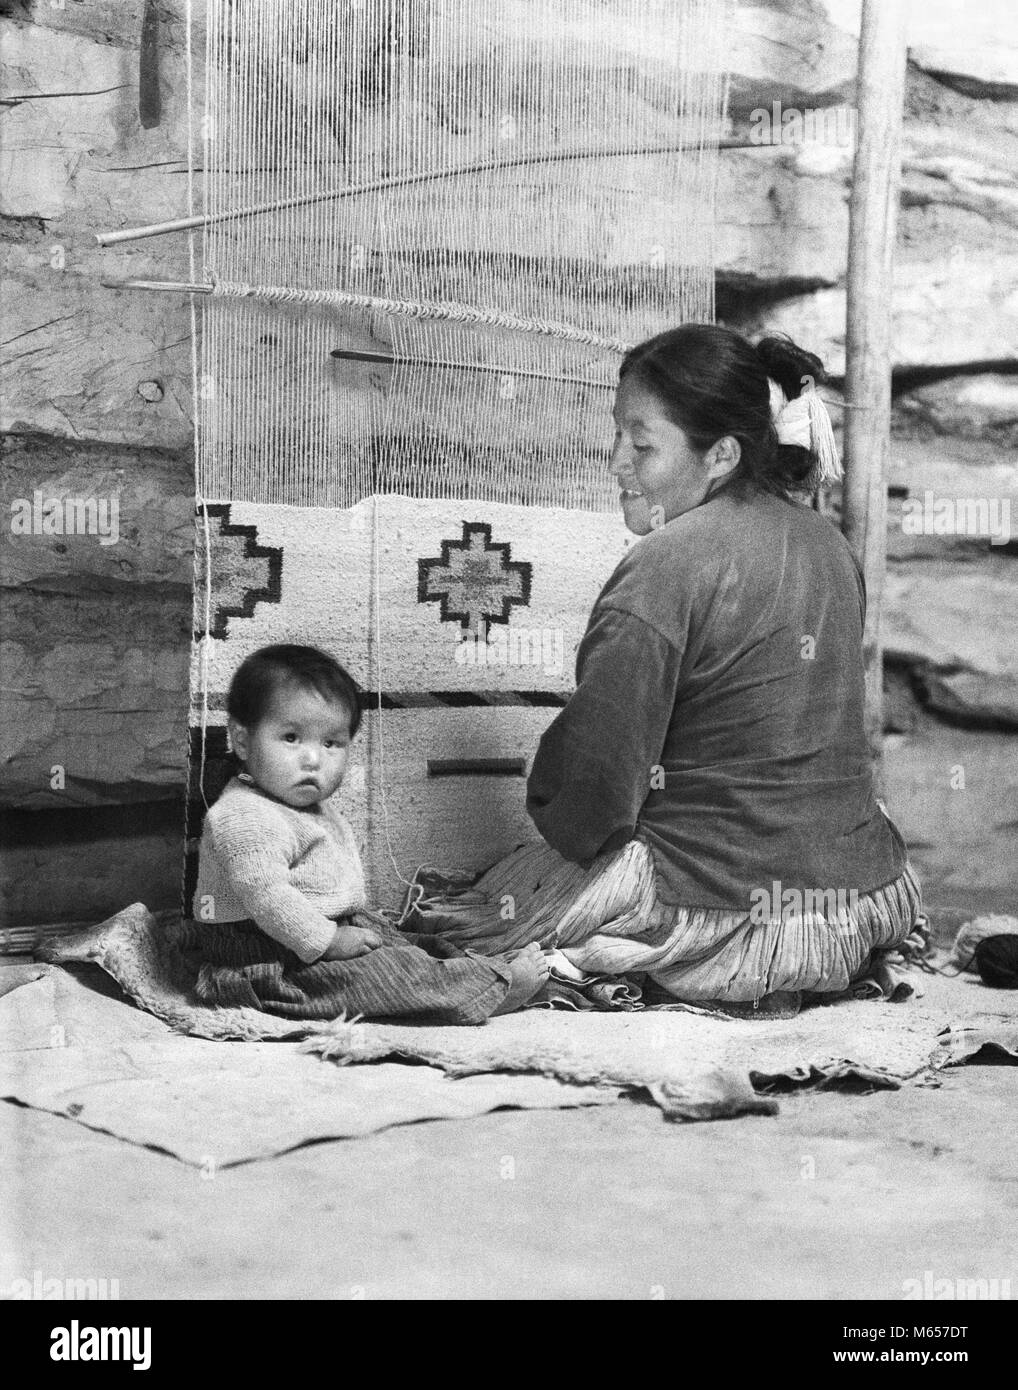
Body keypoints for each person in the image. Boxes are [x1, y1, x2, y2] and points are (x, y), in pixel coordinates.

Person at [413, 325, 922, 1013]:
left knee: (463, 927)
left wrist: (562, 823)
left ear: (721, 455)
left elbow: (595, 791)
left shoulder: (666, 564)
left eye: (643, 444)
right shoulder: (830, 548)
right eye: (617, 434)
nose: (617, 462)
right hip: (857, 900)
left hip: (725, 916)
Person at [188, 644, 549, 1022]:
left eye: (331, 743)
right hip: (268, 953)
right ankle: (489, 991)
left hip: (312, 934)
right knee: (392, 977)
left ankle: (472, 974)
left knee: (419, 947)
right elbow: (267, 896)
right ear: (242, 741)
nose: (312, 759)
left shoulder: (303, 806)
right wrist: (327, 941)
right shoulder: (244, 814)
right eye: (291, 738)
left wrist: (350, 928)